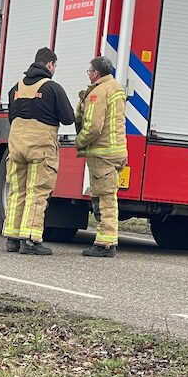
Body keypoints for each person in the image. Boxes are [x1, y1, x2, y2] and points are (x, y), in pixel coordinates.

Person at [4, 47, 75, 255]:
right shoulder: (53, 88)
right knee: (37, 192)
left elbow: (11, 117)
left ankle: (12, 237)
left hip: (16, 147)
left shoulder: (15, 88)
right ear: (50, 64)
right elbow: (68, 118)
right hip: (40, 149)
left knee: (17, 191)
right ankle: (31, 239)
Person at [75, 56, 127, 257]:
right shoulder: (116, 87)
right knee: (108, 196)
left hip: (102, 153)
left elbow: (93, 126)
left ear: (96, 73)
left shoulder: (98, 92)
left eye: (89, 71)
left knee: (104, 198)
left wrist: (79, 141)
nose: (88, 75)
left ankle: (105, 243)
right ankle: (106, 240)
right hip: (116, 151)